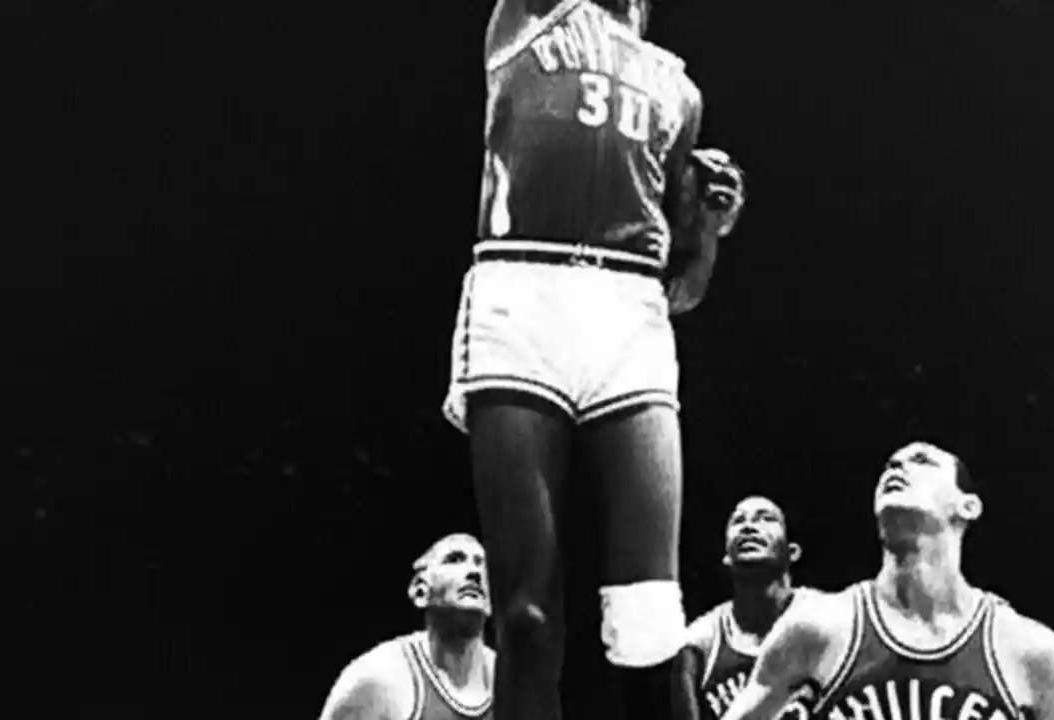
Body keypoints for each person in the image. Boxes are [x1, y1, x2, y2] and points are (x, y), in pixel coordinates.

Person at [441, 0, 746, 718]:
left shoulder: (679, 87)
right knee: (527, 620)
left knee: (649, 621)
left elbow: (682, 290)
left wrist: (707, 226)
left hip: (629, 312)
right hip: (523, 295)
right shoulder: (528, 21)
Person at [720, 442, 1054, 720]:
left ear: (967, 506)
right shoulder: (818, 628)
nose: (897, 466)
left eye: (921, 460)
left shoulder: (1031, 653)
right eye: (891, 463)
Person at [317, 533, 495, 720]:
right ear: (420, 591)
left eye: (481, 563)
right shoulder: (380, 679)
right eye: (455, 560)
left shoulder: (511, 682)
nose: (475, 572)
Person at [673, 496, 816, 720]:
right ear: (727, 558)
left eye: (765, 519)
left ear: (792, 552)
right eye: (739, 521)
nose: (749, 527)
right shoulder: (699, 645)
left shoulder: (825, 616)